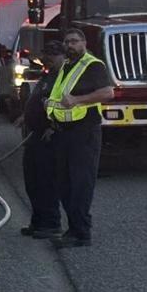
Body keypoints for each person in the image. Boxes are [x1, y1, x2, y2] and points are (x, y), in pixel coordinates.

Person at [45, 27, 115, 248]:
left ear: (84, 43)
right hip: (63, 132)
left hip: (84, 132)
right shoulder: (66, 66)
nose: (70, 45)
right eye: (67, 42)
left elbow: (107, 93)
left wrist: (78, 100)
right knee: (64, 183)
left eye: (74, 41)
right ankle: (72, 229)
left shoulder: (93, 65)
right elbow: (60, 96)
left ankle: (81, 232)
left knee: (80, 184)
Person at [18, 39, 65, 238]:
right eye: (47, 55)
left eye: (54, 55)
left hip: (49, 138)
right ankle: (38, 221)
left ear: (63, 56)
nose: (49, 59)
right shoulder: (48, 75)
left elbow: (67, 106)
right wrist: (25, 115)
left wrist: (55, 126)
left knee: (46, 182)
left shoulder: (65, 78)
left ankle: (51, 224)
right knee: (32, 181)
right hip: (34, 135)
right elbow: (39, 99)